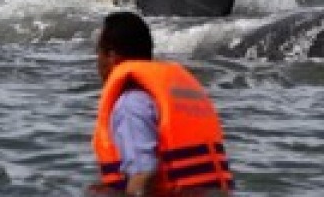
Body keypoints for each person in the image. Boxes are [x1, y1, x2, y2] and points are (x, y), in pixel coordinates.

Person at [92, 11, 233, 196]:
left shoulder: (130, 105)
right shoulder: (174, 94)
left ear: (111, 56)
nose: (97, 61)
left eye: (98, 52)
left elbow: (143, 175)